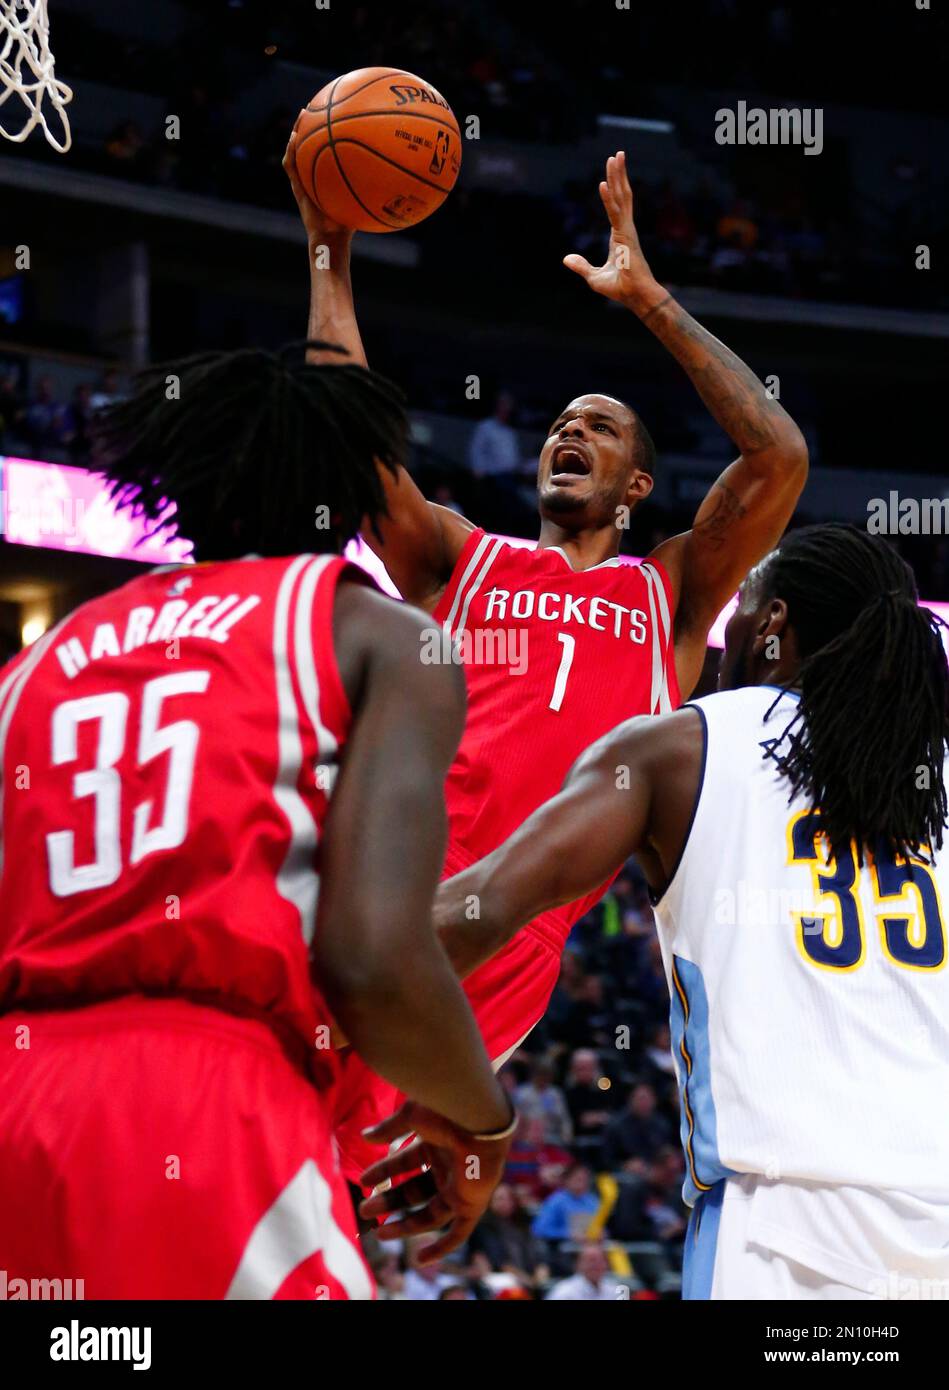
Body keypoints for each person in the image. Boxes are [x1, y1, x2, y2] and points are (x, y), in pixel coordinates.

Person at [284, 138, 808, 1179]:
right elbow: (351, 442)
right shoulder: (462, 555)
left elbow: (778, 455)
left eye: (600, 428)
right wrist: (329, 256)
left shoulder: (668, 592)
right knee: (272, 1144)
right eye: (561, 425)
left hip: (512, 945)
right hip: (395, 886)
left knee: (326, 1174)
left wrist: (651, 301)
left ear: (636, 486)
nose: (569, 431)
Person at [0, 343, 514, 1300]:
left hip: (17, 1110)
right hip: (204, 1109)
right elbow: (373, 964)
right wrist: (482, 1124)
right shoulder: (374, 634)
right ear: (358, 491)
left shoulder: (38, 665)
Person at [435, 523, 949, 1299]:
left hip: (781, 1239)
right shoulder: (933, 777)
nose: (727, 627)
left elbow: (481, 908)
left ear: (771, 623)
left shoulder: (681, 747)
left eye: (740, 605)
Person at [545, 1243, 623, 1301]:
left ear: (607, 1265)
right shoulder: (563, 1292)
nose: (596, 1265)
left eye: (600, 1260)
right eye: (591, 1260)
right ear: (578, 1265)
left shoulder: (615, 1289)